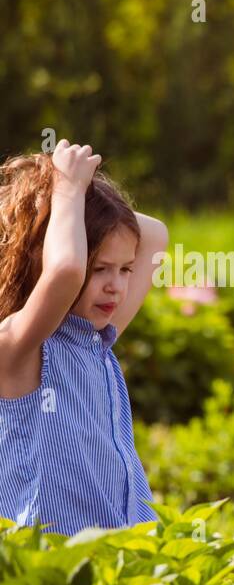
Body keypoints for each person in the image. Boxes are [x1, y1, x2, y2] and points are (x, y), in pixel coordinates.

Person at [0, 140, 169, 536]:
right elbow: (65, 273)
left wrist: (75, 197)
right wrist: (65, 189)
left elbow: (155, 235)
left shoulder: (97, 339)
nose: (116, 287)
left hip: (117, 558)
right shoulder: (18, 346)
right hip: (53, 568)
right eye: (100, 269)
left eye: (125, 269)